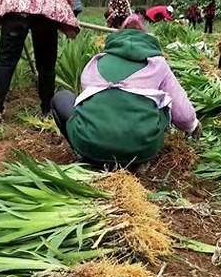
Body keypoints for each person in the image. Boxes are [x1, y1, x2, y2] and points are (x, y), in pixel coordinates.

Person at [51, 14, 201, 167]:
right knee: (166, 103)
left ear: (116, 38)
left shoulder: (96, 62)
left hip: (90, 147)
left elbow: (86, 105)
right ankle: (139, 161)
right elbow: (183, 116)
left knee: (62, 97)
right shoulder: (158, 64)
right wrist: (193, 126)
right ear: (146, 39)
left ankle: (84, 154)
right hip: (140, 152)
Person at [0, 0, 79, 124]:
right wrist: (69, 6)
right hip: (47, 8)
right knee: (46, 64)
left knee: (6, 61)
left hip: (15, 6)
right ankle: (47, 110)